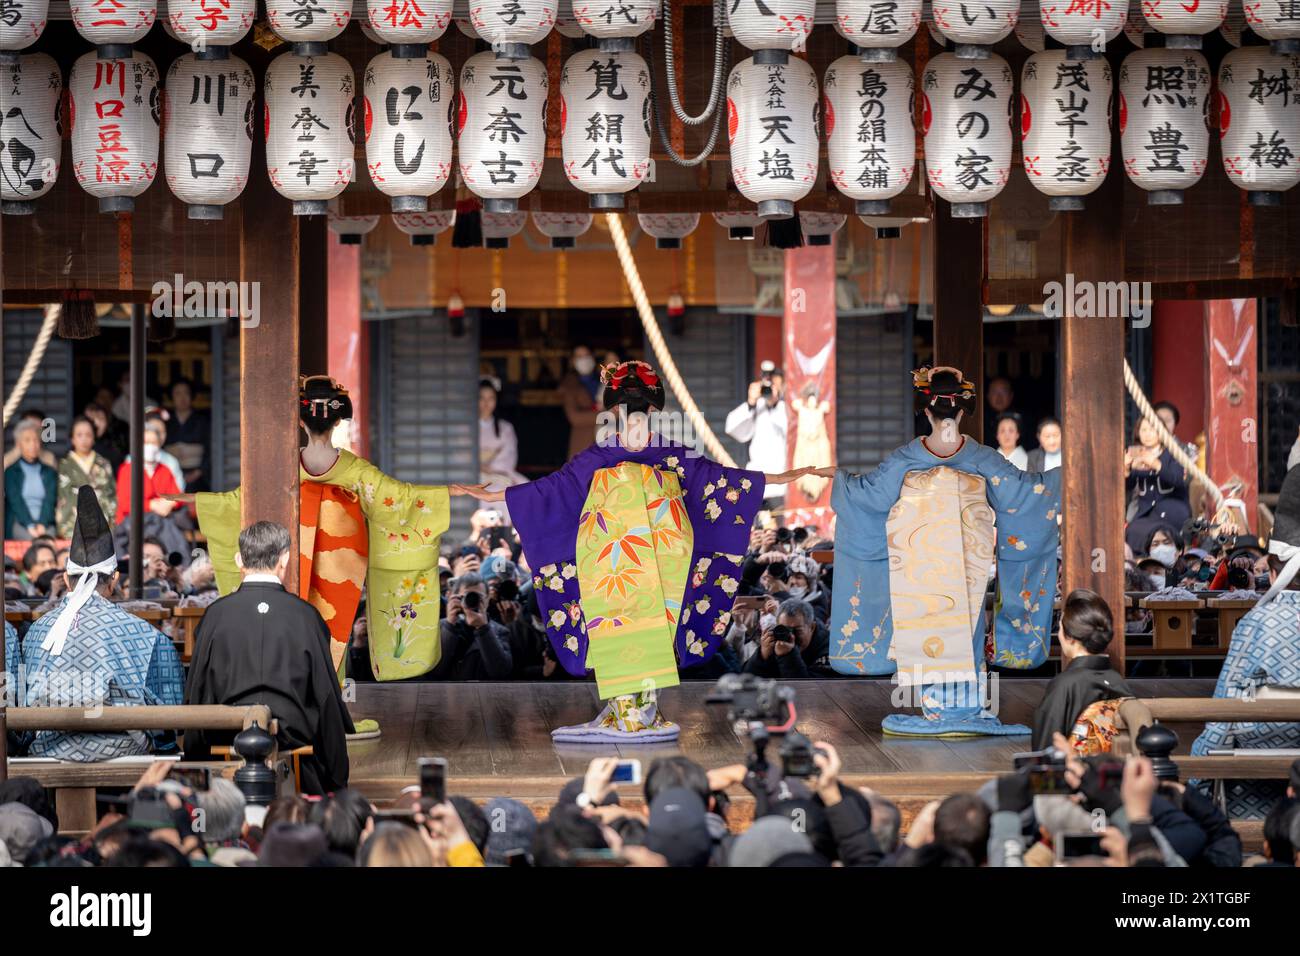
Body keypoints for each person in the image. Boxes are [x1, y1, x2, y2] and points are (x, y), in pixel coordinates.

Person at [473, 359, 805, 741]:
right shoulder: (647, 455)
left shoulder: (634, 456)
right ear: (629, 409)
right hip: (623, 562)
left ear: (638, 409)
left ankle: (640, 718)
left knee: (642, 631)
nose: (630, 413)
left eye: (635, 406)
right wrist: (497, 495)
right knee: (620, 631)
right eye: (625, 407)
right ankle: (621, 714)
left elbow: (550, 491)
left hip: (640, 562)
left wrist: (780, 477)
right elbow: (552, 489)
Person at [813, 367, 1061, 736]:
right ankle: (965, 711)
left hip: (919, 570)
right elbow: (1025, 495)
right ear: (962, 412)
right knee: (964, 634)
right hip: (967, 570)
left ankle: (939, 712)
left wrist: (841, 479)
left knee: (928, 630)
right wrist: (1063, 476)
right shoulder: (983, 458)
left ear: (926, 412)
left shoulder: (904, 459)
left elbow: (867, 497)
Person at [185, 376, 483, 680]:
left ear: (300, 422)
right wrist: (450, 491)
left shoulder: (282, 469)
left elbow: (241, 500)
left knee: (289, 631)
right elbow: (403, 500)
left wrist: (198, 500)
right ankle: (332, 706)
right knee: (333, 635)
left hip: (288, 566)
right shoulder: (356, 471)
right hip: (342, 571)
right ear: (338, 422)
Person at [183, 521, 353, 795]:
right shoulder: (306, 616)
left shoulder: (216, 615)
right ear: (284, 559)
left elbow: (198, 689)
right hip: (291, 737)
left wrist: (194, 760)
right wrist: (337, 777)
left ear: (239, 559)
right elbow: (326, 696)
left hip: (228, 734)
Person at [19, 486, 184, 761]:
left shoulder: (36, 633)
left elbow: (17, 713)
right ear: (115, 581)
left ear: (68, 580)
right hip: (122, 753)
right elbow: (169, 715)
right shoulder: (143, 634)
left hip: (46, 753)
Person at [1192, 467, 1300, 818]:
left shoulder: (1255, 623)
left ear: (1273, 572)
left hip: (1257, 767)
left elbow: (1226, 707)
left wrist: (1197, 779)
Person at [1031, 589, 1135, 751]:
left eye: (1060, 628)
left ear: (1070, 636)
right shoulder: (1116, 680)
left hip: (1073, 772)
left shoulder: (1064, 685)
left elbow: (1045, 747)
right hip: (1114, 771)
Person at [725, 360, 789, 509]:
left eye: (776, 386)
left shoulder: (786, 408)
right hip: (757, 481)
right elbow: (732, 428)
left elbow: (789, 430)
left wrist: (773, 404)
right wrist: (751, 403)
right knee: (757, 530)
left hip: (782, 485)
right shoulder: (756, 407)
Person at [426, 573, 513, 680]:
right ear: (456, 598)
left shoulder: (501, 632)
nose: (473, 601)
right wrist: (449, 626)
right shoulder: (438, 629)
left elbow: (501, 672)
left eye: (478, 597)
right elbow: (433, 672)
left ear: (487, 600)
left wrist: (483, 629)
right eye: (467, 596)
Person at [1125, 415, 1190, 555]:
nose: (1147, 434)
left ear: (1161, 431)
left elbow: (1178, 479)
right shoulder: (1135, 453)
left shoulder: (1174, 451)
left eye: (1152, 429)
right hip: (1146, 513)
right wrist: (1126, 469)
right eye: (1143, 430)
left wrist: (1156, 464)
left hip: (1171, 511)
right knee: (1132, 530)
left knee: (1159, 532)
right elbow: (1128, 487)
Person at [56, 416, 117, 539]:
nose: (84, 439)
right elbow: (62, 497)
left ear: (94, 438)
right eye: (79, 435)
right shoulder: (64, 465)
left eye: (88, 435)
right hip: (72, 525)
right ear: (72, 438)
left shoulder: (103, 464)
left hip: (102, 525)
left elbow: (111, 495)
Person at [741, 597, 832, 679]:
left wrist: (787, 655)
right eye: (785, 629)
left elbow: (811, 690)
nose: (791, 635)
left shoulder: (830, 649)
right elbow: (747, 680)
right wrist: (762, 656)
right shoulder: (775, 639)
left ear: (812, 627)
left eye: (797, 630)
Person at [114, 419, 182, 527]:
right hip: (130, 528)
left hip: (158, 527)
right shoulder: (127, 470)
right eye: (146, 442)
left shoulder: (164, 470)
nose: (150, 446)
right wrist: (151, 505)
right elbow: (125, 504)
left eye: (154, 443)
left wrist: (168, 503)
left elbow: (178, 497)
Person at [478, 378, 526, 519]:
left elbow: (509, 453)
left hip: (498, 474)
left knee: (521, 491)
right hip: (474, 475)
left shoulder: (505, 428)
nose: (486, 403)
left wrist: (490, 466)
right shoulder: (467, 427)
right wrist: (479, 465)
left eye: (491, 398)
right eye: (482, 398)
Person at [5, 418, 57, 540]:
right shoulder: (11, 472)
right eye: (27, 440)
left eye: (36, 440)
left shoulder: (49, 472)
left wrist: (42, 524)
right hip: (20, 522)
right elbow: (16, 502)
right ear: (18, 444)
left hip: (45, 523)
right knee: (32, 541)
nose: (33, 445)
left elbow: (50, 500)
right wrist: (29, 525)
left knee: (48, 540)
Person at [164, 378, 211, 491]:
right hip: (170, 474)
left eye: (186, 393)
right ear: (172, 397)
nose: (182, 398)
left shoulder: (202, 421)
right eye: (178, 393)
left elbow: (211, 448)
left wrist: (199, 471)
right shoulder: (166, 421)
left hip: (197, 476)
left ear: (192, 396)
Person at [557, 345, 602, 461]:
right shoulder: (569, 385)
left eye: (586, 355)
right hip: (584, 445)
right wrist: (609, 414)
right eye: (579, 357)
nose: (584, 360)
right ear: (572, 361)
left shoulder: (603, 380)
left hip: (608, 443)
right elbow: (575, 418)